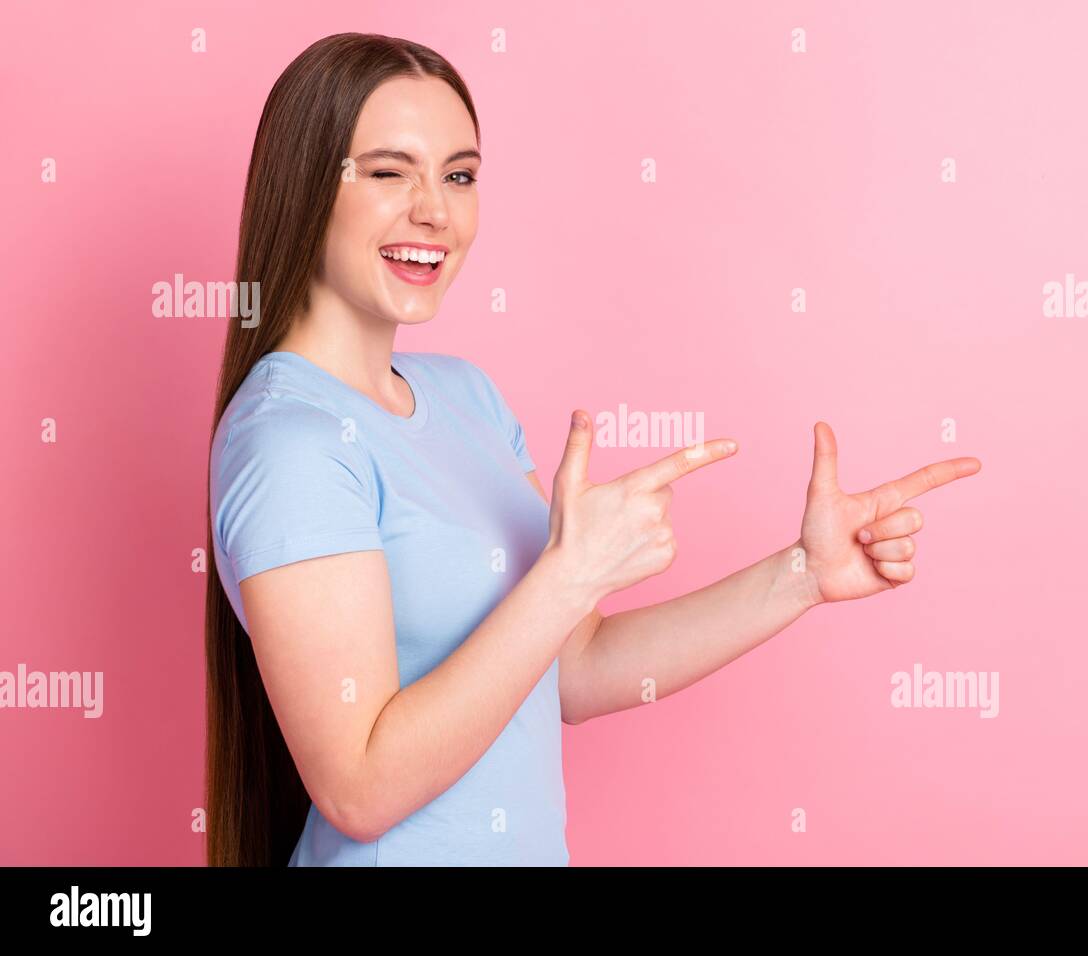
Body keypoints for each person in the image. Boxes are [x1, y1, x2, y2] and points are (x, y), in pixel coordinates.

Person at [204, 32, 982, 867]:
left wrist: (802, 576)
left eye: (459, 175)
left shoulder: (465, 396)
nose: (435, 210)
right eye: (391, 171)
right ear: (306, 183)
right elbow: (357, 787)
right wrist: (569, 573)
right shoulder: (289, 442)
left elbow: (573, 668)